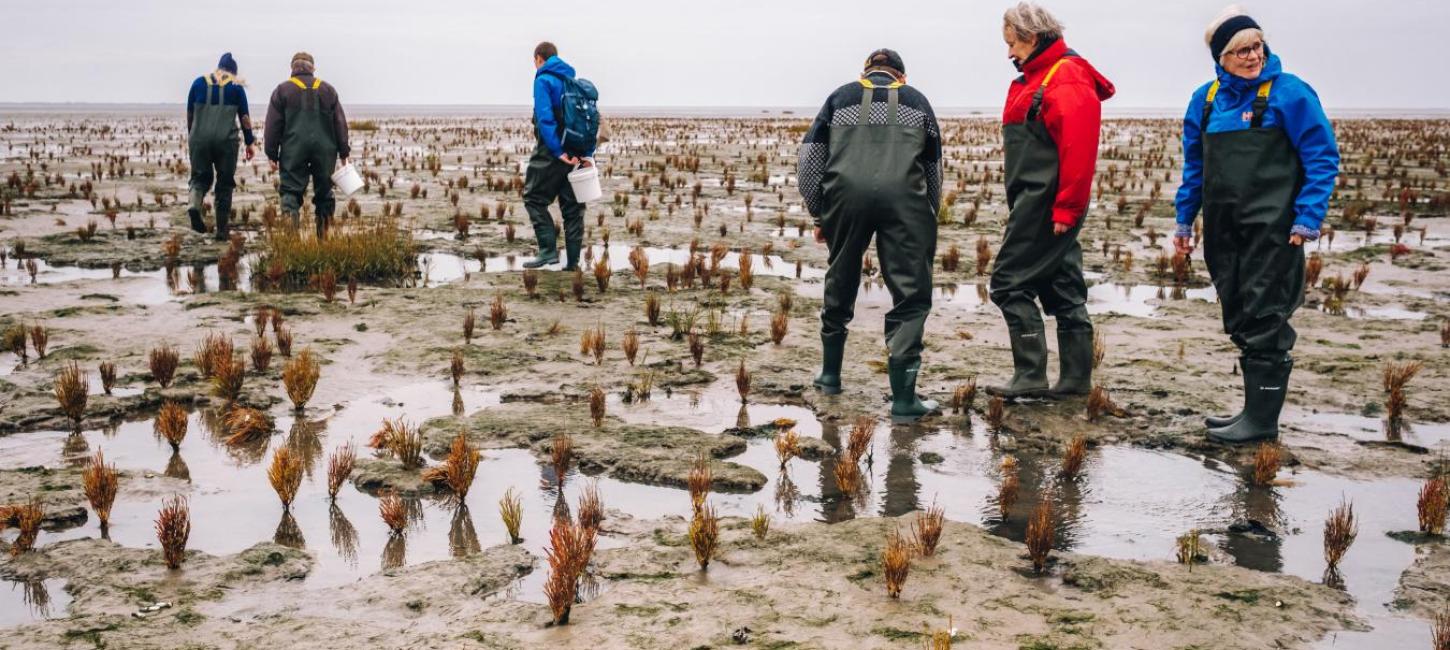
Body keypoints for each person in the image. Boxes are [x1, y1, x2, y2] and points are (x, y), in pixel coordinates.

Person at [1174, 6, 1339, 443]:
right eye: (1240, 50)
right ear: (1220, 57)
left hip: (1275, 227)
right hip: (1225, 228)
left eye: (1256, 46)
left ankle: (1262, 424)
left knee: (1267, 316)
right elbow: (1195, 166)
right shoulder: (1205, 101)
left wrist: (1308, 218)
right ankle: (1251, 411)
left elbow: (1322, 159)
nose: (1252, 56)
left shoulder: (1290, 94)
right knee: (1240, 314)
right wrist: (1184, 220)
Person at [798, 48, 942, 422]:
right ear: (901, 77)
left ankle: (830, 376)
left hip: (846, 199)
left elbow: (809, 162)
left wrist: (820, 214)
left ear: (866, 72)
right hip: (905, 202)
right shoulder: (917, 101)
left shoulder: (840, 97)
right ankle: (904, 401)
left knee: (841, 276)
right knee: (911, 293)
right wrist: (929, 215)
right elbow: (932, 169)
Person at [986, 3, 1115, 400]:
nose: (1009, 53)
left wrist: (1067, 209)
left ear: (1032, 36)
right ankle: (1076, 381)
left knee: (1008, 284)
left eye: (1012, 44)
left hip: (1047, 204)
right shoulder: (1039, 76)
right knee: (1062, 285)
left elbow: (1078, 152)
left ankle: (1030, 376)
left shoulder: (1067, 78)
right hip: (1033, 200)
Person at [522, 42, 595, 270]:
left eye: (534, 62)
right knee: (572, 209)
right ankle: (572, 264)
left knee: (533, 197)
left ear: (539, 59)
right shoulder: (571, 82)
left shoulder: (543, 80)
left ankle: (547, 252)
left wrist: (557, 151)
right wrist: (586, 154)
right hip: (577, 149)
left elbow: (545, 119)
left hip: (553, 150)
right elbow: (587, 120)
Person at [264, 52, 350, 238]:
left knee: (290, 192)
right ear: (313, 68)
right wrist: (344, 152)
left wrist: (271, 154)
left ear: (292, 68)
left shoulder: (282, 90)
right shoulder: (328, 90)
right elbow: (340, 123)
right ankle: (323, 240)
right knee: (324, 193)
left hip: (293, 150)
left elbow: (272, 125)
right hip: (325, 150)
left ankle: (291, 240)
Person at [186, 53, 255, 241]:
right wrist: (250, 142)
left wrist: (193, 137)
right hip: (226, 143)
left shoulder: (198, 83)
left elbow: (190, 114)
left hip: (199, 140)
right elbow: (245, 119)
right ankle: (222, 231)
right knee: (224, 184)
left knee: (199, 178)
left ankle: (194, 205)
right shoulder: (236, 88)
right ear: (233, 72)